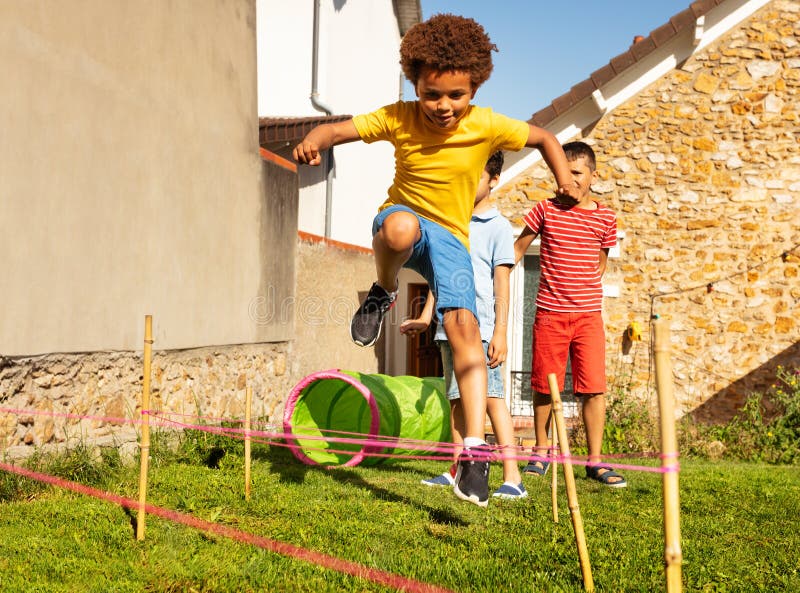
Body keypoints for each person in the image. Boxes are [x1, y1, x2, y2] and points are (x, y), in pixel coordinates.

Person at [294, 14, 580, 507]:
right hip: (404, 218)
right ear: (415, 85)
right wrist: (313, 142)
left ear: (475, 88)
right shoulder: (399, 116)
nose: (443, 106)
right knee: (400, 229)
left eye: (456, 95)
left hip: (451, 238)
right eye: (432, 94)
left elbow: (545, 139)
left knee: (465, 328)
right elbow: (339, 130)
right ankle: (382, 290)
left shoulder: (488, 124)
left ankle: (472, 452)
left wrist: (564, 180)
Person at [400, 151, 526, 500]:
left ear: (494, 181)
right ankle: (459, 468)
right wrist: (427, 317)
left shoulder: (498, 227)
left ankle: (513, 476)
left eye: (477, 177)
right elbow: (442, 276)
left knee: (491, 399)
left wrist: (500, 330)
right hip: (447, 326)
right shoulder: (450, 223)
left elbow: (502, 282)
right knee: (457, 399)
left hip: (482, 329)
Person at [513, 141, 627, 488]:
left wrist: (579, 294)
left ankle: (594, 461)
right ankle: (542, 450)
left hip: (588, 317)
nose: (568, 180)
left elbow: (600, 265)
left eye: (576, 173)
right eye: (563, 172)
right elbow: (517, 251)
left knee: (593, 387)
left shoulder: (605, 218)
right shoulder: (544, 210)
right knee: (545, 386)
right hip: (550, 314)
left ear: (592, 176)